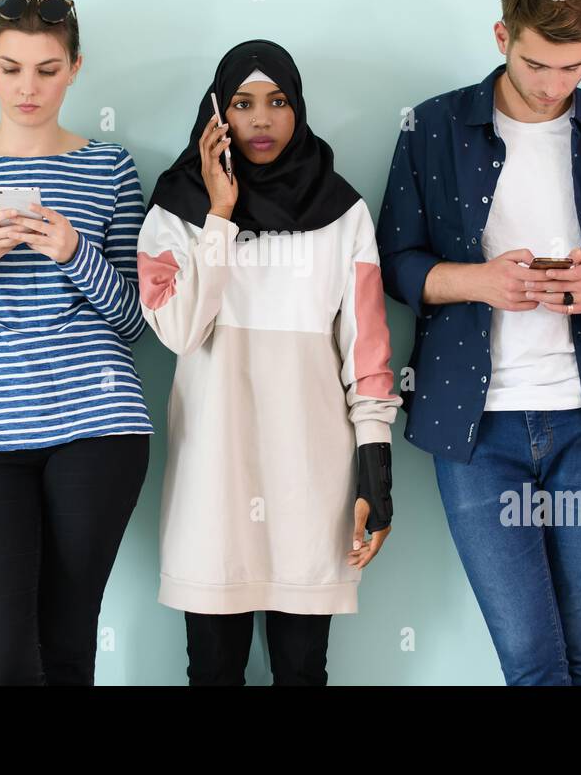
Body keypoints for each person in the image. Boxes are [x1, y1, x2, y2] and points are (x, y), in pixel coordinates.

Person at [377, 0, 581, 685]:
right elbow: (394, 262)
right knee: (533, 663)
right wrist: (479, 281)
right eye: (537, 64)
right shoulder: (434, 127)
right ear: (501, 35)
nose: (553, 86)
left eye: (573, 68)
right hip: (476, 428)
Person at [0, 0, 153, 685]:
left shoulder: (109, 168)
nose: (28, 88)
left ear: (75, 68)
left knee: (66, 648)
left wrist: (75, 252)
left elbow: (137, 323)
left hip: (98, 430)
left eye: (47, 69)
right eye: (12, 67)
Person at [137, 39, 401, 685]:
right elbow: (179, 329)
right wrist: (219, 216)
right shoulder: (176, 212)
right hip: (213, 481)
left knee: (304, 671)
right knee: (213, 671)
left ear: (298, 108)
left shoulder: (344, 214)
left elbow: (367, 355)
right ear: (216, 115)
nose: (260, 120)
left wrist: (376, 470)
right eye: (243, 104)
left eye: (277, 102)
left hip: (313, 484)